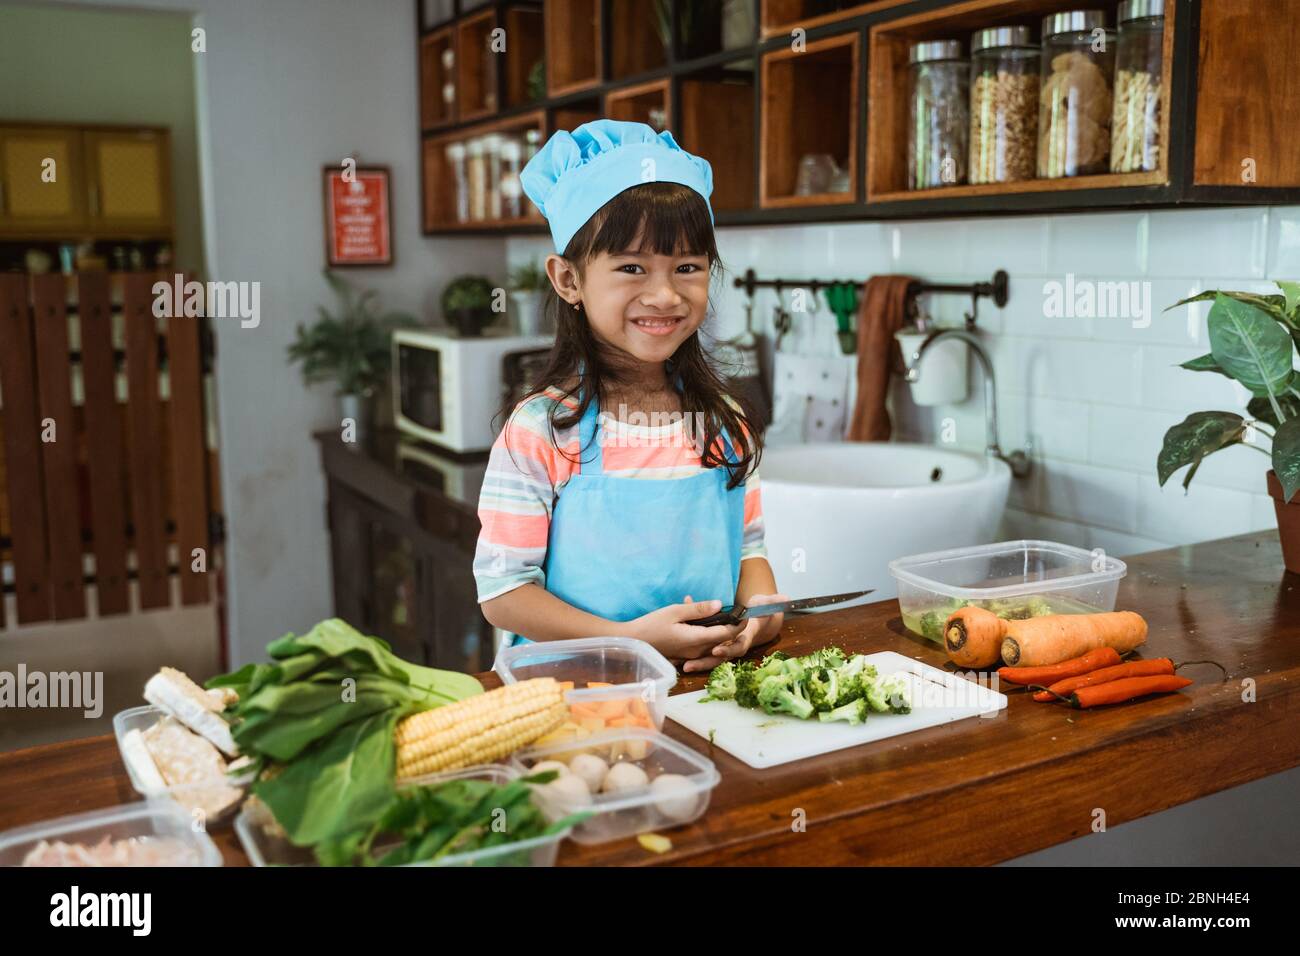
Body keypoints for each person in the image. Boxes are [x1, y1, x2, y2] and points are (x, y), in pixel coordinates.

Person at [472, 119, 786, 673]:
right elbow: (504, 595)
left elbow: (750, 556)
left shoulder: (724, 423)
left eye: (687, 267)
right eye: (632, 268)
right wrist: (627, 640)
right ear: (568, 280)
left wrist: (760, 622)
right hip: (570, 693)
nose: (664, 294)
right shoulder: (541, 430)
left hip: (700, 695)